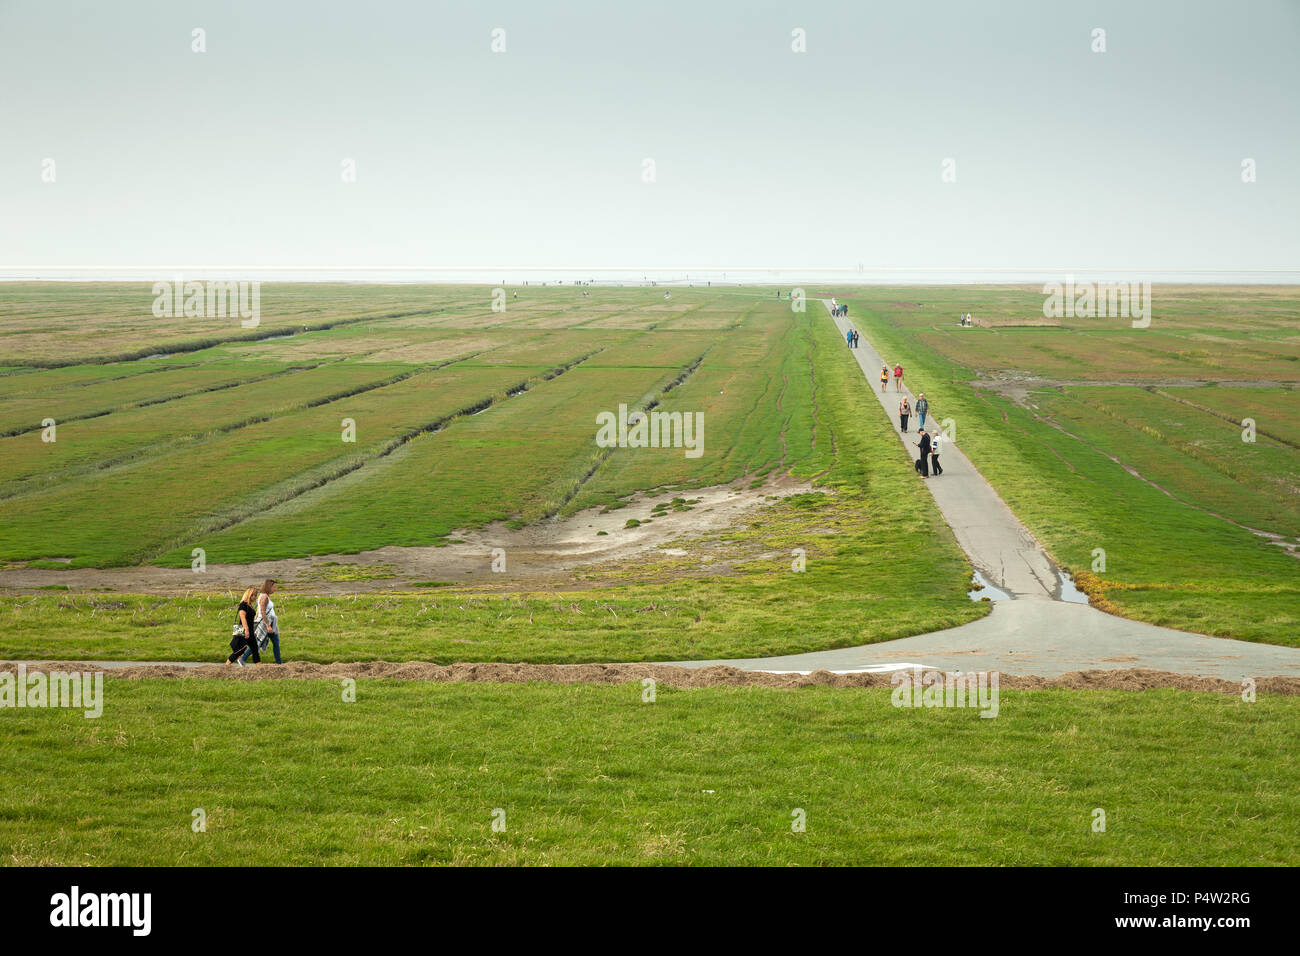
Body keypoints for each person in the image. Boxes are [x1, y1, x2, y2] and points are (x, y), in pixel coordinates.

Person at [241, 578, 281, 665]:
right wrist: (268, 625)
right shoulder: (264, 597)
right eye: (274, 587)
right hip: (265, 624)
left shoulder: (265, 596)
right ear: (269, 587)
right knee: (258, 642)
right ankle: (243, 659)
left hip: (270, 623)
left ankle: (279, 663)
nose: (275, 589)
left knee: (275, 642)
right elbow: (263, 611)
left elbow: (260, 610)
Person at [225, 587, 260, 665]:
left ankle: (259, 667)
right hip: (243, 630)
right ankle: (226, 665)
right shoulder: (243, 604)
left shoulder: (250, 605)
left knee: (255, 649)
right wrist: (246, 630)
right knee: (240, 650)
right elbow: (242, 617)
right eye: (253, 595)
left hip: (251, 630)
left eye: (255, 595)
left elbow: (250, 618)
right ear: (249, 595)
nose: (255, 597)